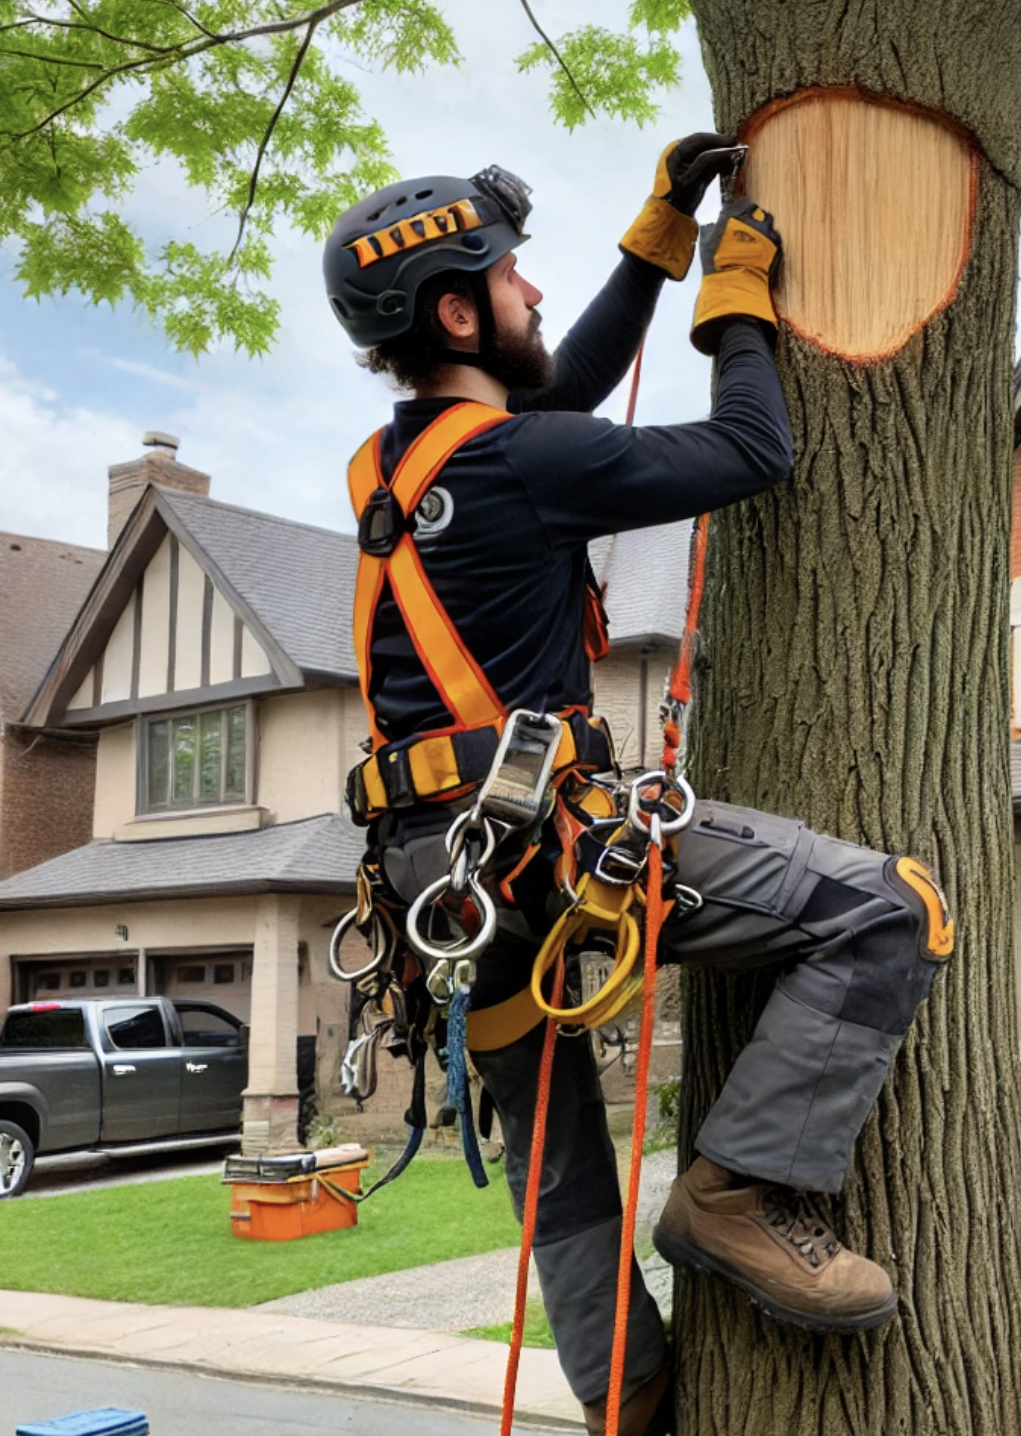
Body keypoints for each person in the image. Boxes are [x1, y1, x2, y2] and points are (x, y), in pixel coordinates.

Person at [323, 137, 954, 1436]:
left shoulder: (395, 471)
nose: (535, 294)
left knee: (556, 1166)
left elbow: (561, 385)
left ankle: (632, 1400)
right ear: (459, 314)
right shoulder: (523, 464)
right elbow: (753, 446)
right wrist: (735, 301)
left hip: (439, 880)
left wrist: (656, 236)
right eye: (513, 279)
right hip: (536, 847)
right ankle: (738, 1191)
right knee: (891, 911)